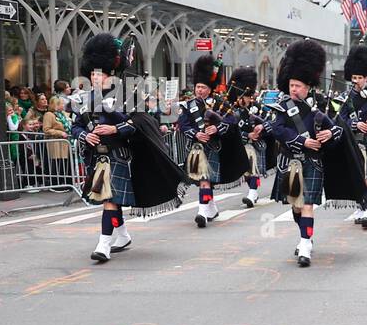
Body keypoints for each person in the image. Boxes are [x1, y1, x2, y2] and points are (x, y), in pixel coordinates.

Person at [69, 33, 187, 262]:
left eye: (99, 74)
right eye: (92, 73)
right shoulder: (85, 99)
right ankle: (121, 235)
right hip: (97, 158)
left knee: (110, 201)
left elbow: (142, 123)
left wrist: (115, 129)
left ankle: (103, 245)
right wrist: (85, 135)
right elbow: (74, 127)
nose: (94, 78)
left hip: (119, 155)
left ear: (110, 73)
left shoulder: (127, 95)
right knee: (109, 201)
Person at [261, 40, 362, 267]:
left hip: (313, 164)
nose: (293, 89)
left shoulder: (317, 112)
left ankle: (305, 243)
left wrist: (329, 134)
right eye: (291, 85)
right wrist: (303, 141)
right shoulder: (281, 107)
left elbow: (337, 129)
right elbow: (278, 130)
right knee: (296, 206)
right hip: (290, 163)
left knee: (307, 204)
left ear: (308, 87)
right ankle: (304, 235)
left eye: (298, 85)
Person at [177, 54, 247, 228]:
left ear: (210, 88)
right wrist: (196, 134)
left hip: (214, 147)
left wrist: (217, 128)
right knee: (204, 180)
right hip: (197, 148)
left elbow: (232, 122)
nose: (199, 90)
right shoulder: (188, 105)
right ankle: (211, 208)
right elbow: (183, 125)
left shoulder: (220, 103)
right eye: (197, 87)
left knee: (205, 180)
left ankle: (202, 211)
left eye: (203, 87)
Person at [337, 45, 367, 227]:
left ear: (366, 78)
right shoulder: (343, 98)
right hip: (352, 144)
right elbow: (338, 121)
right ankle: (361, 206)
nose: (356, 81)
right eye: (354, 78)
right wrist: (355, 124)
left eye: (360, 78)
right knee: (356, 179)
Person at [227, 67, 269, 208]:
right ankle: (253, 192)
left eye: (244, 97)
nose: (242, 99)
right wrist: (246, 135)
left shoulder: (257, 107)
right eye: (239, 97)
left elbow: (268, 123)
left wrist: (259, 131)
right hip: (238, 144)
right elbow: (230, 129)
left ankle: (253, 192)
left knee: (252, 168)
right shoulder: (230, 110)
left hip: (253, 145)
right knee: (246, 171)